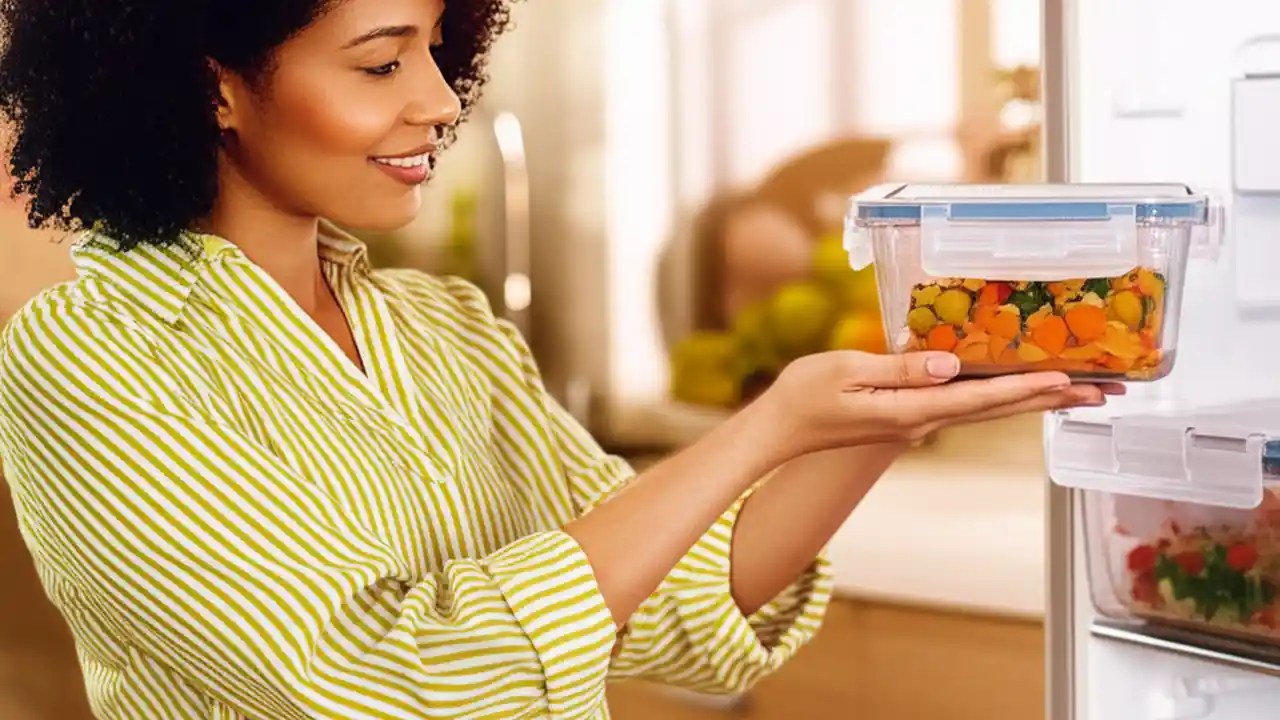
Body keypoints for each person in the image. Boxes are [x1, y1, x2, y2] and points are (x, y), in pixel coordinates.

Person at [0, 1, 1114, 718]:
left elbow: (679, 613)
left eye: (436, 54)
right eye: (381, 62)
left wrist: (877, 414)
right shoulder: (89, 356)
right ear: (212, 87)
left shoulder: (440, 330)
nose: (438, 102)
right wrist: (759, 428)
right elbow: (387, 688)